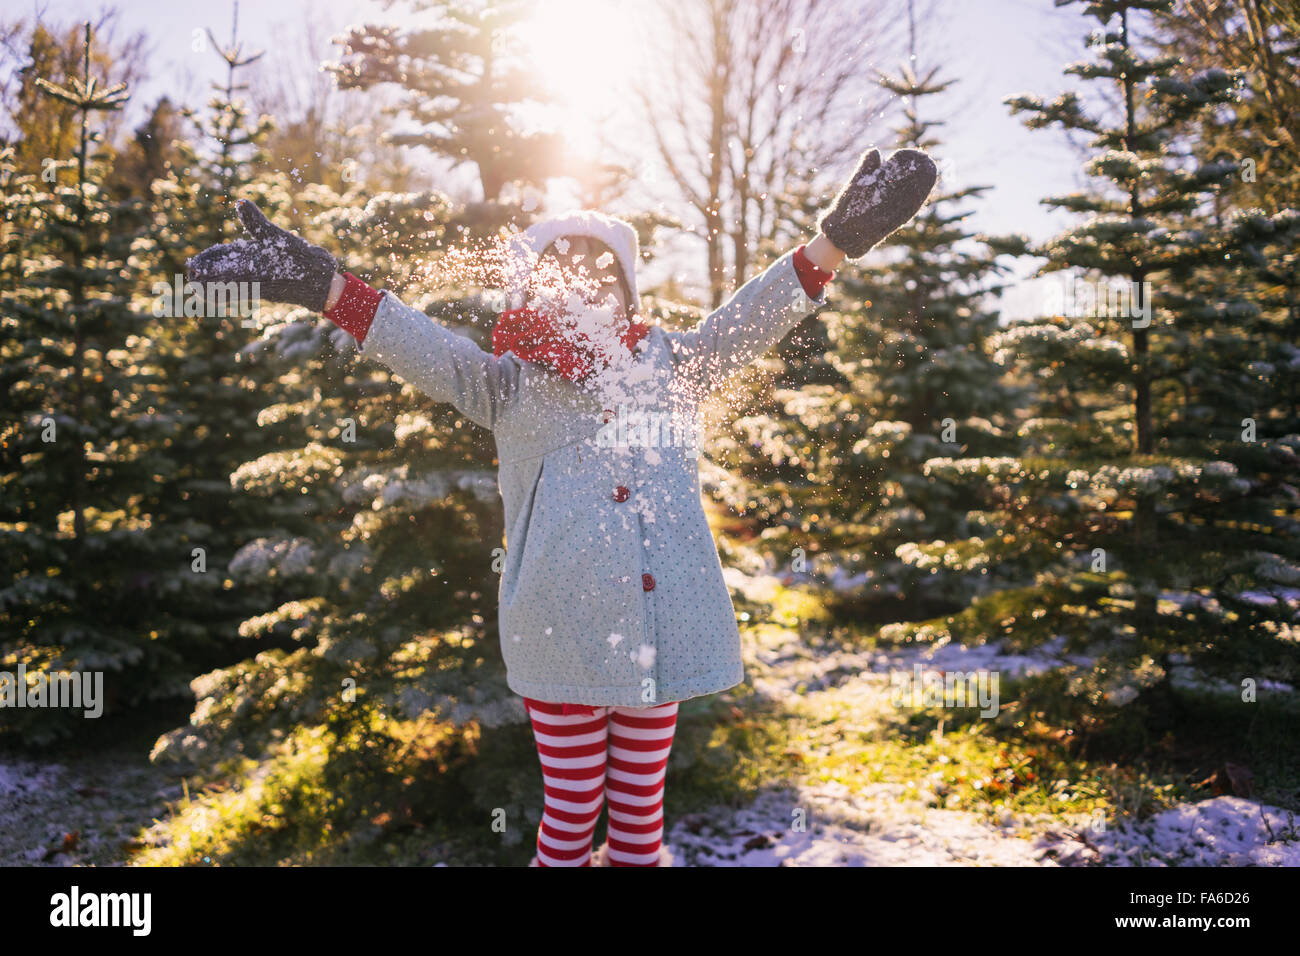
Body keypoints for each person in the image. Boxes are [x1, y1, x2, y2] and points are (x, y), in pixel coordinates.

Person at [187, 146, 938, 866]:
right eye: (563, 273)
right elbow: (418, 345)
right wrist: (329, 288)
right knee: (573, 814)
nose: (583, 286)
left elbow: (754, 317)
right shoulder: (507, 383)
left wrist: (833, 243)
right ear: (531, 290)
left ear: (627, 291)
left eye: (600, 274)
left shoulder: (673, 367)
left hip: (659, 632)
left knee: (641, 821)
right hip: (562, 632)